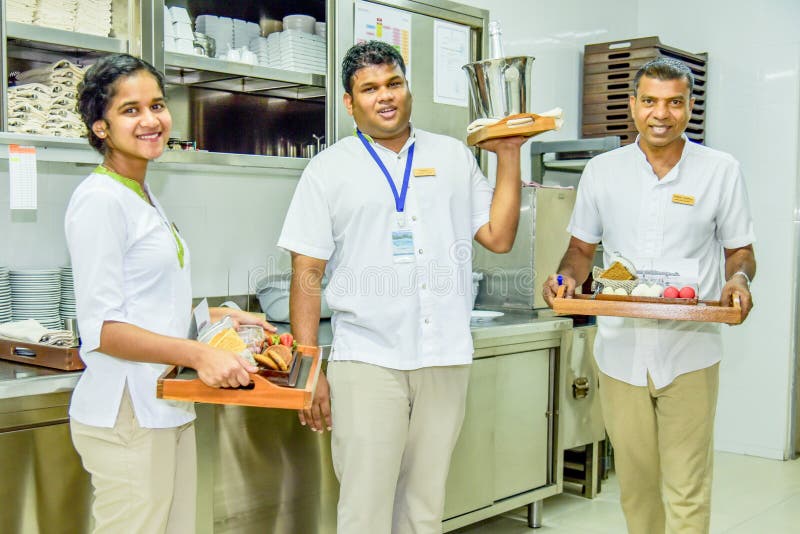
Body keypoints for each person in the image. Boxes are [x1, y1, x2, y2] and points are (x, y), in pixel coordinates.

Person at [277, 40, 526, 533]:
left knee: (424, 508)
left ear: (407, 88)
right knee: (365, 510)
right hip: (368, 360)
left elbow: (499, 236)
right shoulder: (328, 170)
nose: (385, 96)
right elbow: (307, 273)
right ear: (350, 103)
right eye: (369, 89)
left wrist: (510, 156)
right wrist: (308, 370)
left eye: (394, 83)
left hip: (444, 357)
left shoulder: (452, 156)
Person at [542, 57, 756, 534]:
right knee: (637, 489)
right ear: (633, 106)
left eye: (674, 102)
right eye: (651, 102)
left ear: (689, 107)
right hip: (621, 353)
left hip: (690, 350)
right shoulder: (602, 172)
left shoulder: (720, 171)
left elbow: (740, 251)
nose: (662, 114)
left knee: (687, 488)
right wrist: (565, 279)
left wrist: (738, 280)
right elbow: (580, 250)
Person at [65, 53, 274, 534]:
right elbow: (103, 329)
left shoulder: (140, 193)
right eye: (130, 110)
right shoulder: (100, 201)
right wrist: (198, 353)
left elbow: (147, 301)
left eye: (157, 105)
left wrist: (220, 317)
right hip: (127, 412)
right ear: (100, 127)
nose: (151, 120)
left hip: (165, 406)